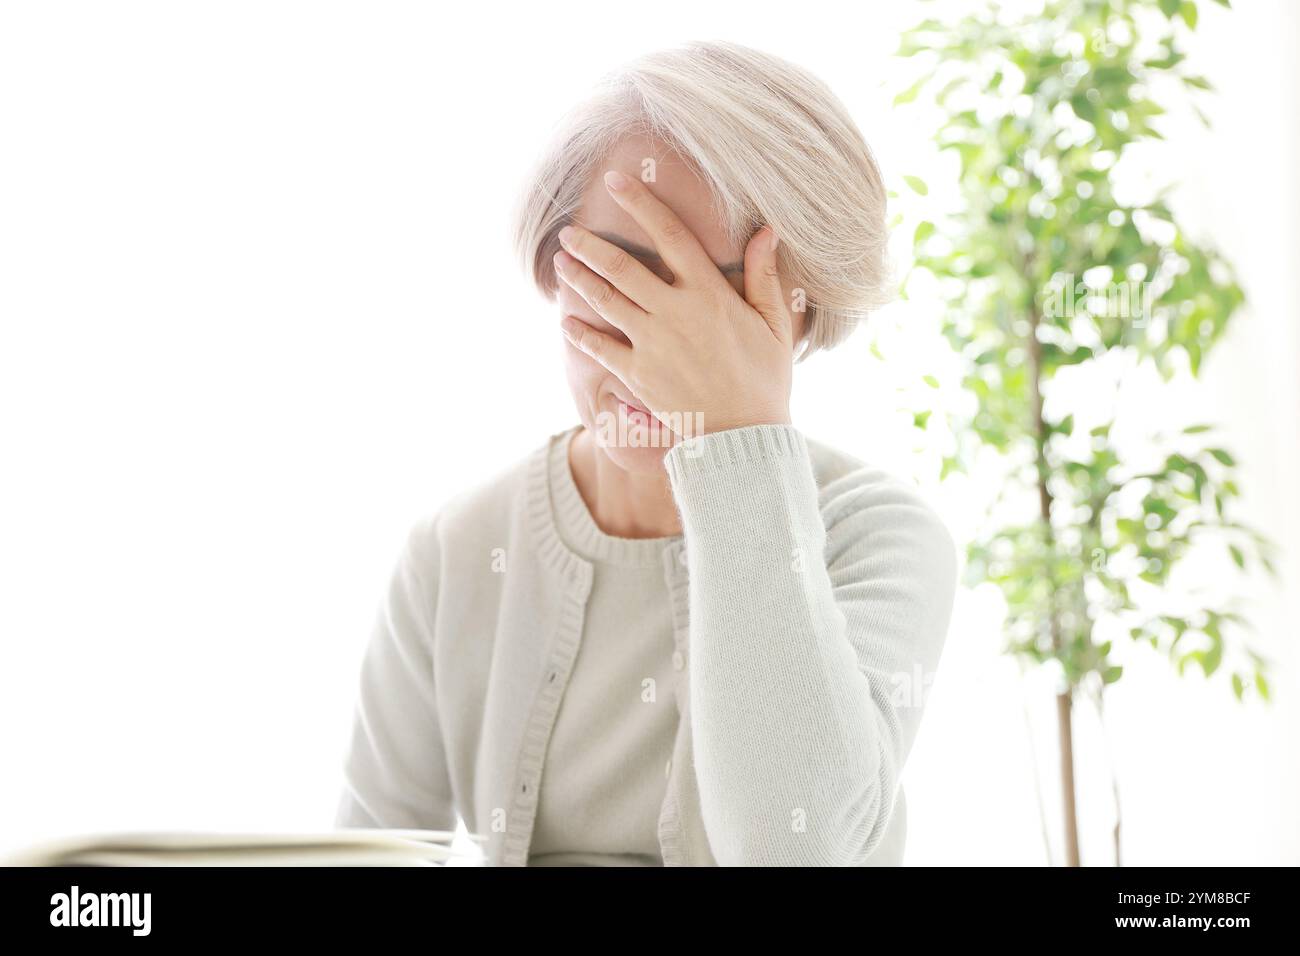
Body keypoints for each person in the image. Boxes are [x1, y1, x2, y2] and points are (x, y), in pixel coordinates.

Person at [335, 40, 957, 866]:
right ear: (554, 272)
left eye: (720, 300)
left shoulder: (880, 534)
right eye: (616, 277)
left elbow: (789, 847)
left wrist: (734, 436)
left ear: (804, 313)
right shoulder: (455, 550)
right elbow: (360, 853)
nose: (657, 350)